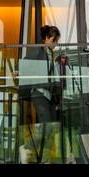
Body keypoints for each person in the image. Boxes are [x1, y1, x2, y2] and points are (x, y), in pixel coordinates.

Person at [21, 25, 62, 163]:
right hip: (39, 92)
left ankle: (45, 158)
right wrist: (16, 70)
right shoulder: (38, 50)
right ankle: (27, 147)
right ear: (45, 39)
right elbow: (26, 61)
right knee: (48, 126)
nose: (55, 43)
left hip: (49, 94)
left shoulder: (53, 54)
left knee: (52, 128)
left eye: (56, 41)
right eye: (53, 40)